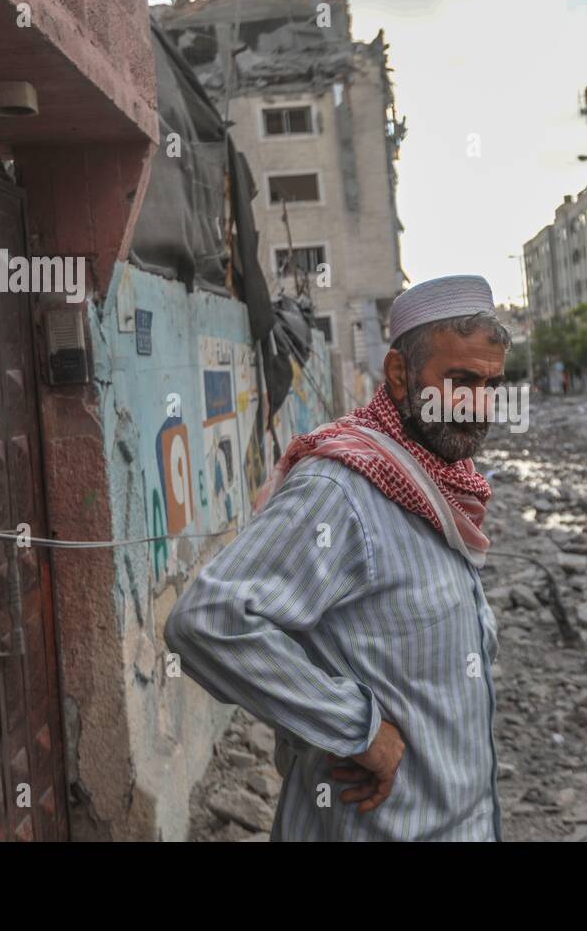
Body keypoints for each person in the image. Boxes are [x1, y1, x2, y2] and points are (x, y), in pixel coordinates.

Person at [166, 275, 508, 841]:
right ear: (399, 376)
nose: (479, 405)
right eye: (461, 381)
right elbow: (210, 620)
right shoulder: (340, 493)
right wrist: (357, 728)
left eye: (491, 384)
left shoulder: (439, 488)